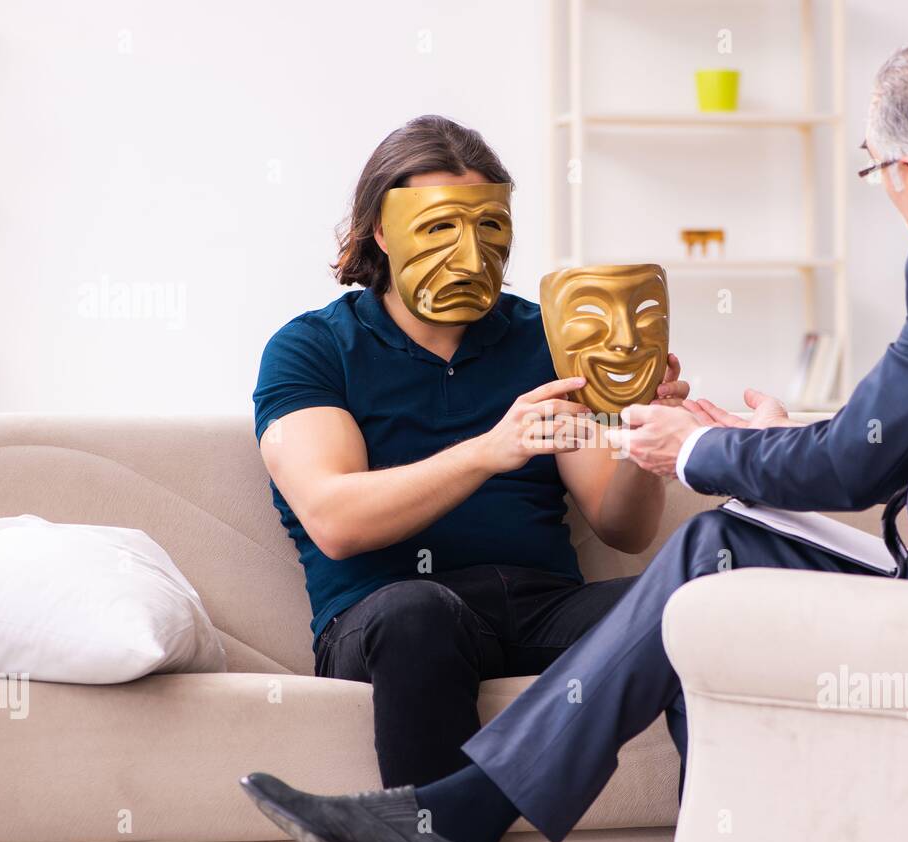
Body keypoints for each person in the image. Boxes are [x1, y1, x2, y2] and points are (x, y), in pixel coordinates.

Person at [242, 30, 908, 842]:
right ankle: (462, 819)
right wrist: (768, 440)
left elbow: (855, 460)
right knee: (702, 569)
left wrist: (694, 447)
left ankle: (456, 818)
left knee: (711, 560)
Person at [251, 114, 689, 791]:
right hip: (389, 616)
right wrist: (488, 450)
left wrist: (643, 431)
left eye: (489, 228)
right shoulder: (313, 348)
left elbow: (622, 525)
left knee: (695, 608)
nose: (470, 253)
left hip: (540, 605)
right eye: (439, 227)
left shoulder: (542, 336)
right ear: (381, 231)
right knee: (419, 613)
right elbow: (336, 519)